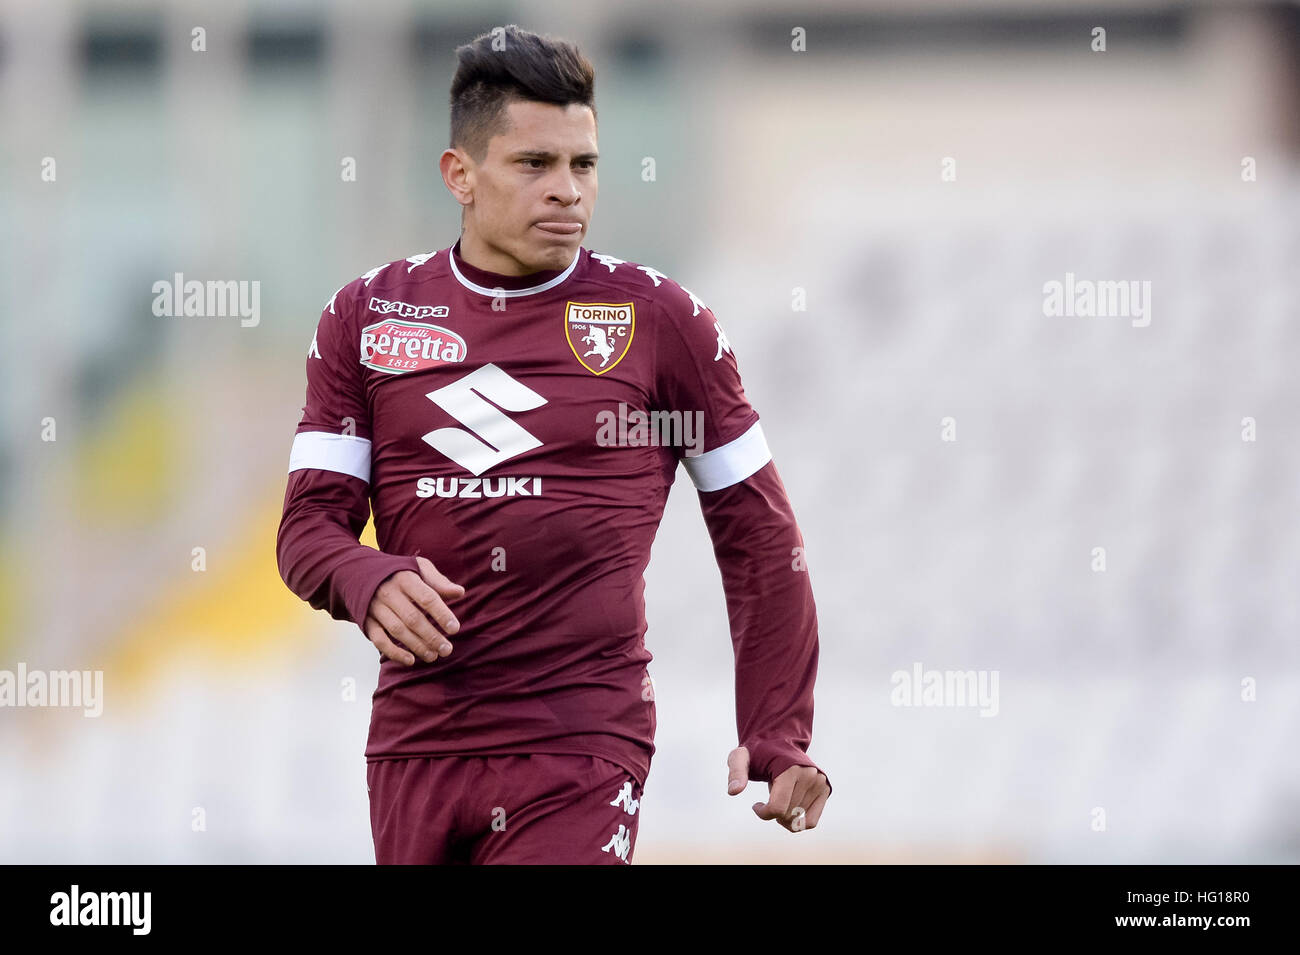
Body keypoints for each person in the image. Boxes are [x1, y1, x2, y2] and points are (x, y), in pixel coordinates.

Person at [276, 24, 829, 865]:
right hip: (417, 743)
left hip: (582, 739)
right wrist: (366, 576)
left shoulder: (659, 322)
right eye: (536, 164)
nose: (568, 190)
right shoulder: (366, 317)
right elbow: (307, 530)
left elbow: (759, 535)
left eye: (585, 165)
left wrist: (778, 729)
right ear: (459, 174)